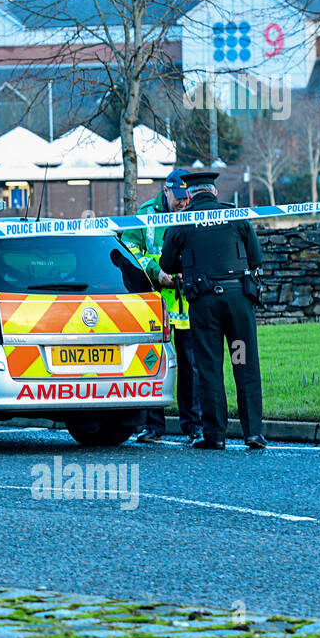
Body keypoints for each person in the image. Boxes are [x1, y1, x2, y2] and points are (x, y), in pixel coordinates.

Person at [159, 171, 267, 451]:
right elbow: (256, 258)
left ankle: (215, 435)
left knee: (209, 366)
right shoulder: (234, 215)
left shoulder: (183, 220)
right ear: (215, 193)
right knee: (244, 363)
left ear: (190, 195)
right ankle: (253, 433)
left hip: (205, 304)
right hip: (238, 303)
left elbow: (168, 264)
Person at [120, 169, 204, 445]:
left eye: (186, 196)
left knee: (190, 364)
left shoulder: (194, 211)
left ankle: (193, 425)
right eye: (179, 197)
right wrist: (157, 272)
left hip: (186, 301)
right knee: (153, 363)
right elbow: (131, 250)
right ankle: (153, 425)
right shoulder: (145, 214)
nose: (183, 202)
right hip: (155, 303)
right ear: (166, 190)